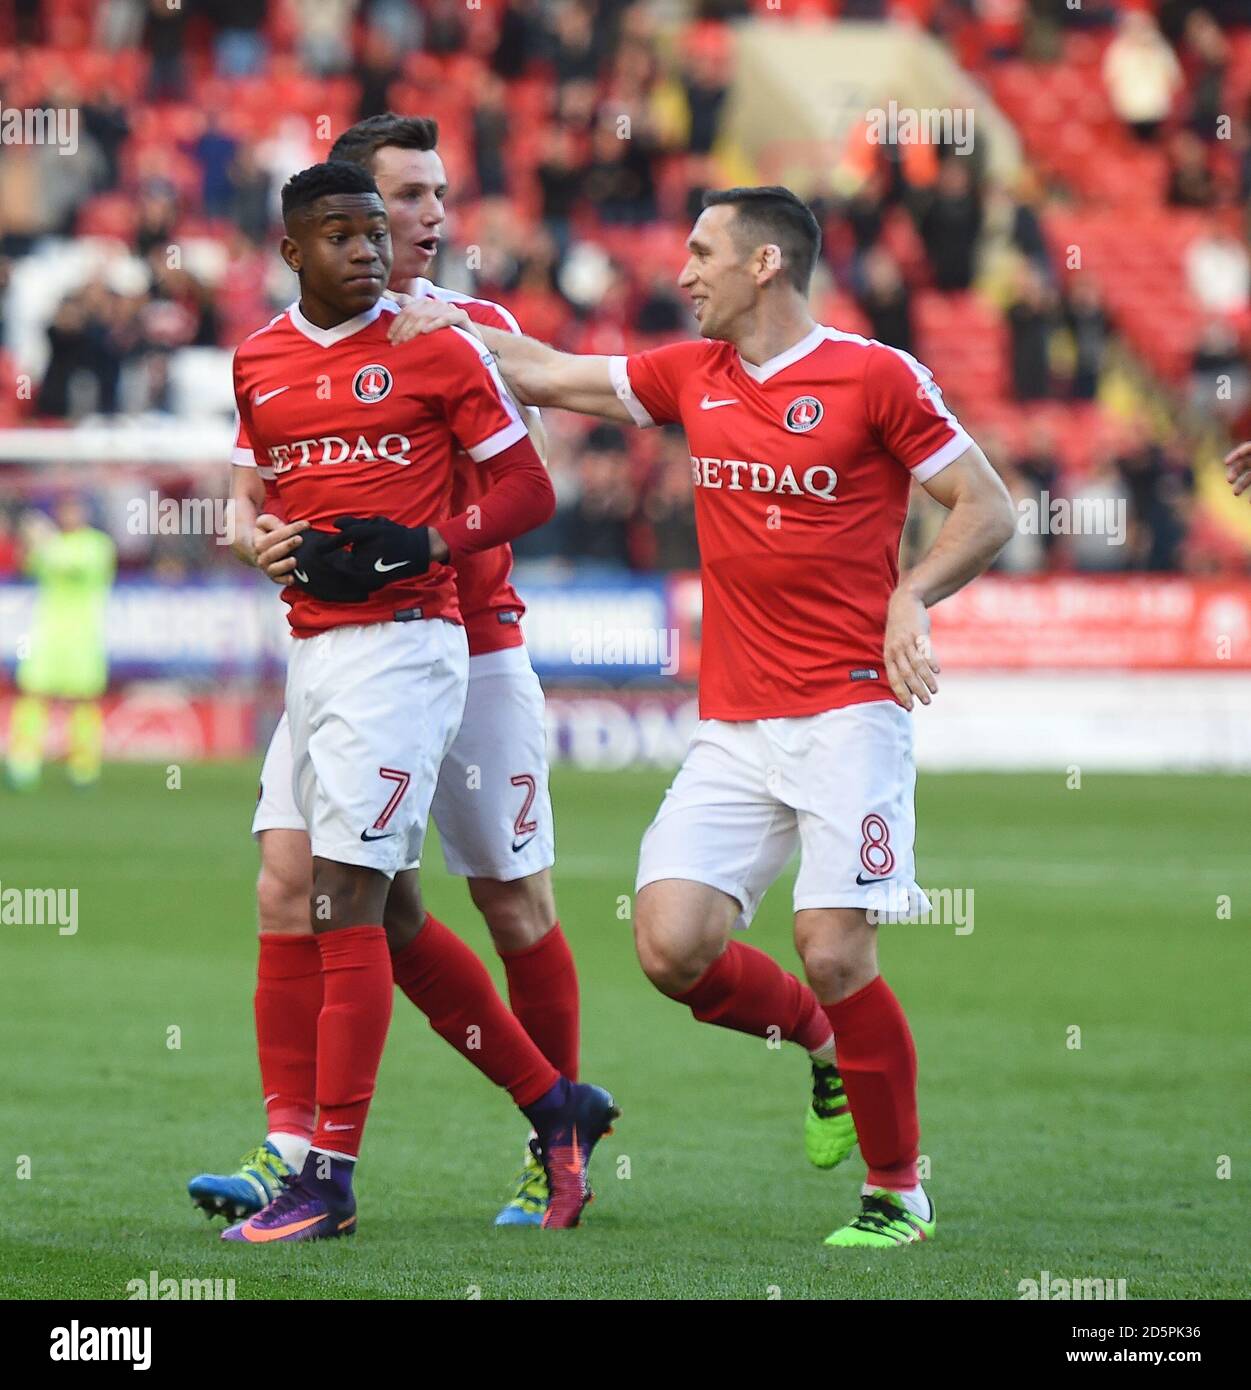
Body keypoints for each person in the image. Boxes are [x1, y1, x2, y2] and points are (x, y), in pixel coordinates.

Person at [376, 185, 1016, 1248]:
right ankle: (822, 1050)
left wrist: (912, 594)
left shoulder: (874, 375)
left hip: (852, 710)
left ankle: (899, 1192)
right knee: (670, 946)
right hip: (735, 724)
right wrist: (447, 311)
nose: (682, 271)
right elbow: (544, 371)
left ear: (764, 264)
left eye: (702, 252)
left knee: (832, 943)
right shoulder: (690, 375)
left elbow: (987, 506)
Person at [191, 115, 587, 1231]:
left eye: (431, 200)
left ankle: (500, 1151)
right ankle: (323, 1141)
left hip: (461, 638)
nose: (424, 222)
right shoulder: (266, 354)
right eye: (401, 199)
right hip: (323, 642)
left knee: (498, 900)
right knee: (325, 890)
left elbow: (539, 464)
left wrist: (426, 539)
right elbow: (251, 487)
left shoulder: (467, 331)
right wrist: (254, 535)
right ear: (313, 228)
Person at [5, 496, 116, 791]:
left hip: (83, 637)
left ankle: (84, 769)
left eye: (74, 508)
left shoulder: (97, 545)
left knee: (83, 702)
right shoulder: (48, 544)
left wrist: (43, 538)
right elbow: (24, 565)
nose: (69, 515)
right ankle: (22, 764)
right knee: (32, 697)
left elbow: (72, 567)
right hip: (47, 634)